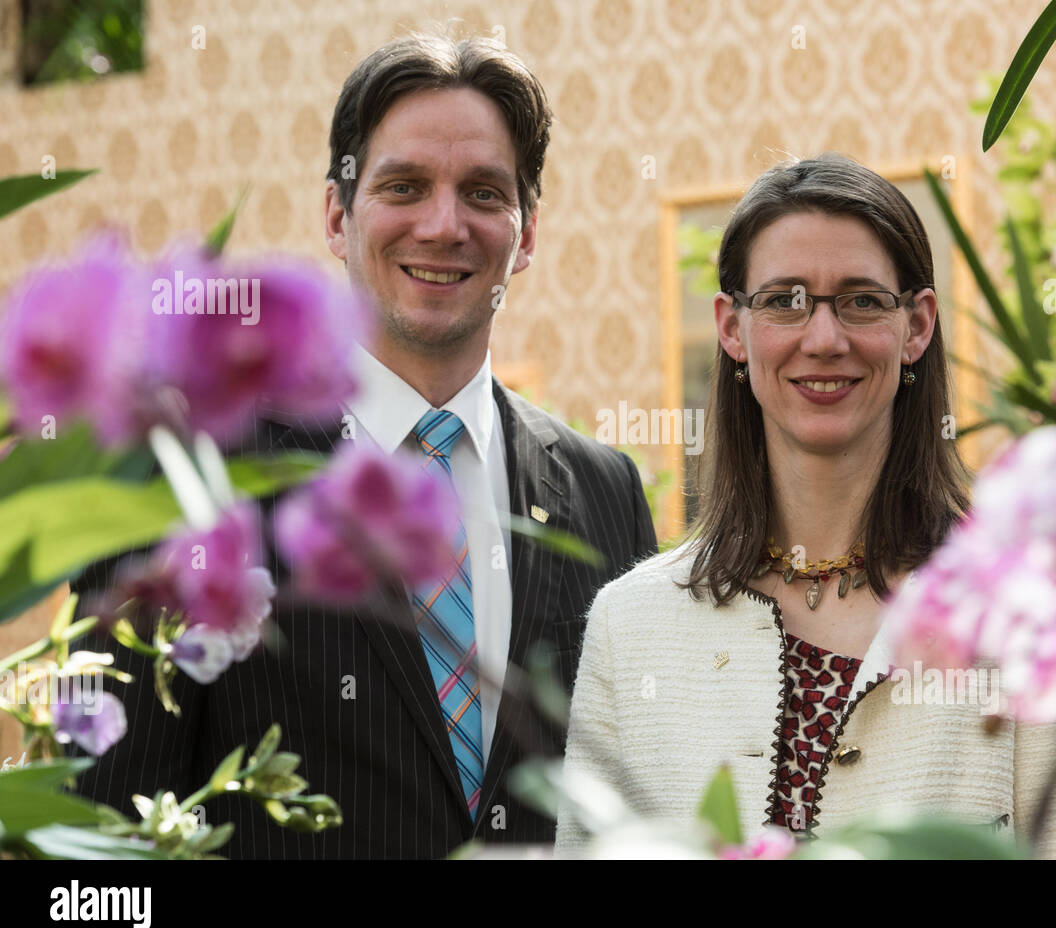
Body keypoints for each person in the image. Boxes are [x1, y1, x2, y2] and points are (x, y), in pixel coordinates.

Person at [73, 31, 658, 858]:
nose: (444, 224)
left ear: (525, 236)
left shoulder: (604, 492)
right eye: (405, 186)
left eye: (485, 193)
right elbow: (99, 844)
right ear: (338, 215)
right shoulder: (187, 473)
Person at [555, 154, 1056, 858]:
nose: (824, 338)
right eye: (784, 300)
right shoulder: (631, 625)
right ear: (732, 329)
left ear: (917, 325)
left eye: (862, 300)